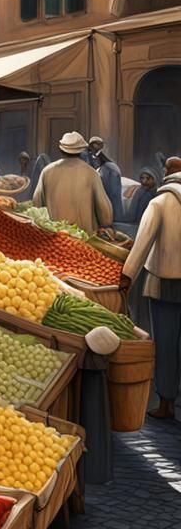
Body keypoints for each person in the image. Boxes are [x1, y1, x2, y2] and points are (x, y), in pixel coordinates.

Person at [121, 156, 181, 419]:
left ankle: (167, 403)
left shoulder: (160, 202)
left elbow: (141, 244)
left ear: (166, 172)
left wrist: (127, 277)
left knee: (165, 344)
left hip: (164, 283)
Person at [31, 131, 113, 235]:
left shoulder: (47, 171)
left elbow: (36, 204)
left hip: (54, 238)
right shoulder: (91, 173)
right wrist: (107, 226)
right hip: (85, 239)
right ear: (82, 150)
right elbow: (106, 214)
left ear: (61, 149)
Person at [88, 137, 125, 223]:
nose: (98, 146)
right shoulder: (86, 155)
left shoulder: (109, 168)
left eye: (100, 144)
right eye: (96, 144)